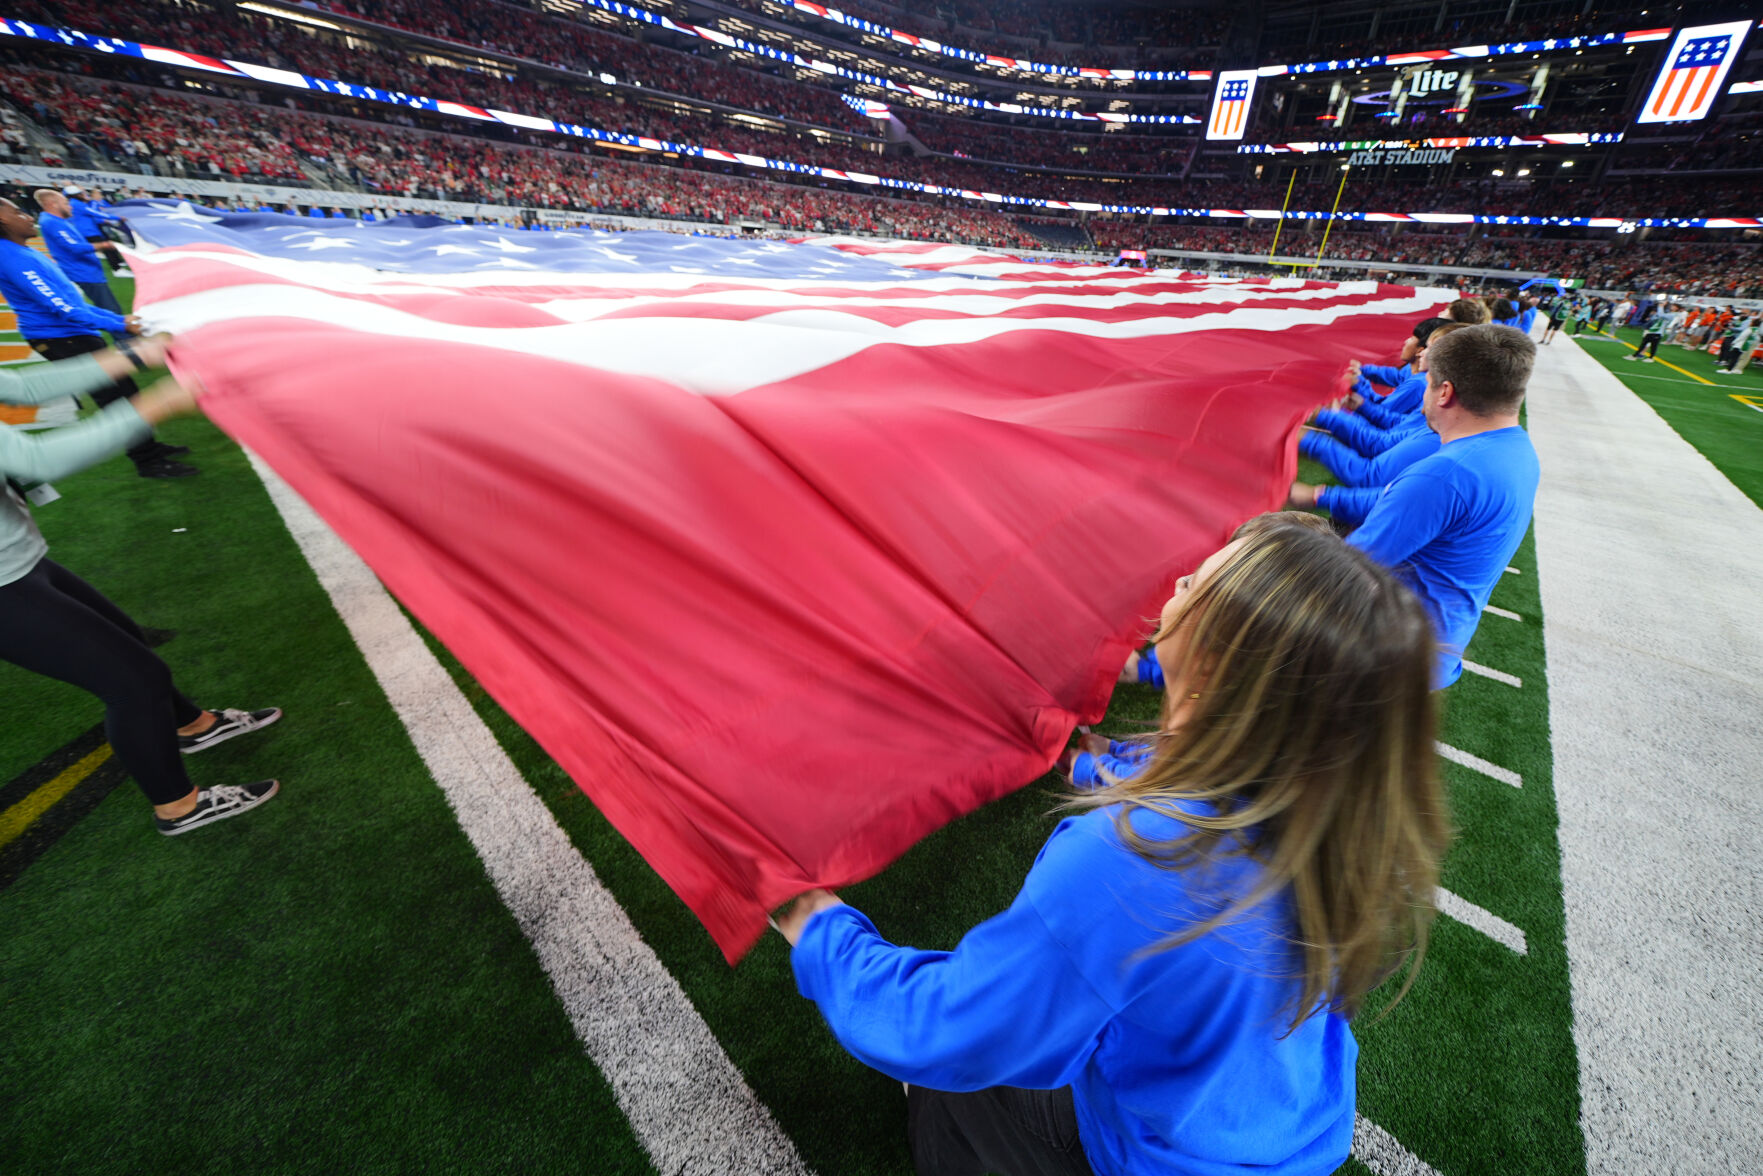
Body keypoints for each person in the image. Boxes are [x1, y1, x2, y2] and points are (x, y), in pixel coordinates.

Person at [778, 514, 1450, 1176]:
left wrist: (814, 923)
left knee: (948, 1082)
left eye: (1195, 585)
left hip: (1159, 1156)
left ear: (1213, 666)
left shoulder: (1133, 861)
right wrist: (1093, 761)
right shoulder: (1339, 812)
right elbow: (1209, 786)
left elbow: (939, 1026)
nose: (1179, 580)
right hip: (1280, 1134)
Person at [0, 341, 282, 835]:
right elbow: (38, 461)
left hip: (19, 563)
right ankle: (178, 806)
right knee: (135, 682)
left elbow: (22, 386)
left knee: (126, 637)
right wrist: (160, 401)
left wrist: (138, 354)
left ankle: (193, 726)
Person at [1292, 324, 1540, 688]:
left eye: (1427, 382)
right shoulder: (1516, 450)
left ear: (1445, 392)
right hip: (1430, 649)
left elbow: (1345, 569)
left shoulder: (1446, 473)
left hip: (1387, 655)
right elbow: (1400, 499)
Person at [0, 197, 196, 478]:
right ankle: (147, 462)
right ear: (3, 220)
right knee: (115, 398)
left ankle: (150, 448)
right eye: (17, 211)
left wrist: (118, 321)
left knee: (126, 390)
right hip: (62, 338)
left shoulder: (20, 250)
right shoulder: (11, 256)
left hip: (73, 334)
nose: (28, 216)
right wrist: (119, 324)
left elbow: (71, 303)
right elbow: (63, 309)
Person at [32, 187, 122, 315]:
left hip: (88, 271)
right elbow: (74, 247)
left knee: (110, 310)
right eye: (66, 203)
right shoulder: (52, 222)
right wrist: (105, 245)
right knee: (112, 312)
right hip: (83, 272)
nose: (70, 206)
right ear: (53, 204)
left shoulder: (57, 220)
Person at [59, 184, 128, 276]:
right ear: (75, 195)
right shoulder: (78, 204)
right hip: (88, 231)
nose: (83, 194)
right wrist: (117, 218)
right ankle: (117, 269)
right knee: (106, 247)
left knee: (99, 249)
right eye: (80, 193)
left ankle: (117, 265)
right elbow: (96, 213)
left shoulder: (73, 203)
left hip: (86, 231)